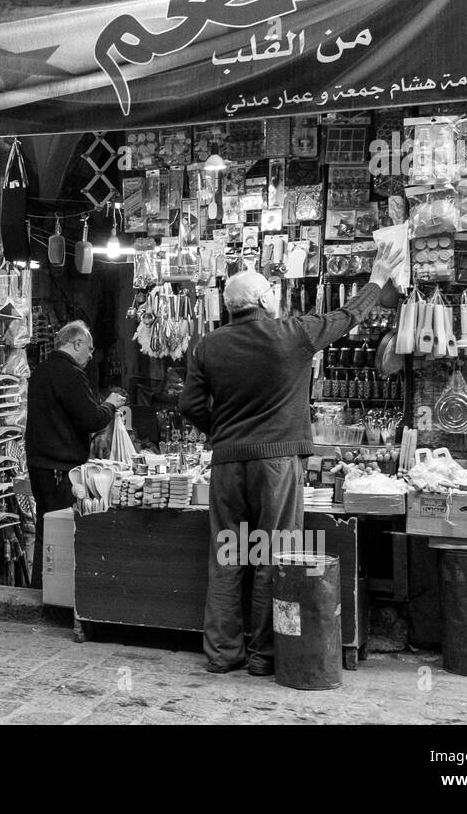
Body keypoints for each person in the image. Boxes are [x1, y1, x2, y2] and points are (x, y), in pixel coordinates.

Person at [180, 243, 404, 676]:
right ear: (265, 301)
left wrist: (221, 432)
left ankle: (223, 654)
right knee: (273, 553)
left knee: (228, 556)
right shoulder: (292, 333)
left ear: (229, 308)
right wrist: (376, 279)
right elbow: (347, 318)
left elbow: (190, 405)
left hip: (227, 464)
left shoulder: (208, 345)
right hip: (277, 465)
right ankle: (264, 655)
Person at [26, 320, 126, 589]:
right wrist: (110, 405)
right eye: (90, 349)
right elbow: (90, 418)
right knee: (60, 528)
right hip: (59, 467)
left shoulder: (41, 371)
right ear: (77, 343)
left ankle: (42, 590)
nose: (91, 355)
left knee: (46, 528)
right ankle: (57, 592)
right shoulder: (69, 373)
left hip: (41, 464)